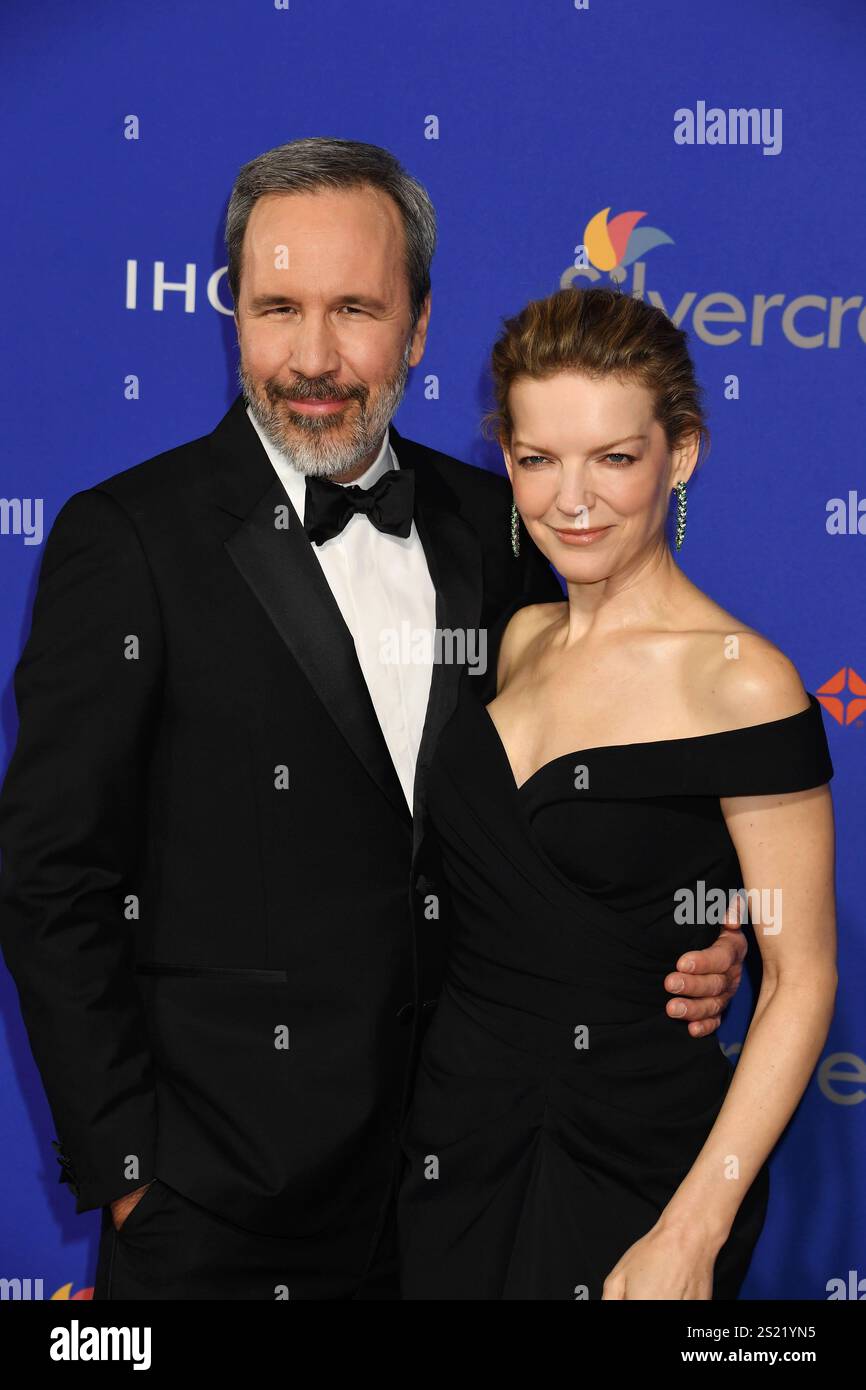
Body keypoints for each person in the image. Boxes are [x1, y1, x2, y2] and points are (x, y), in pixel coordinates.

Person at [0, 144, 744, 1302]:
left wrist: (702, 932)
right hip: (221, 1203)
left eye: (353, 309)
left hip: (483, 1171)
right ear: (230, 312)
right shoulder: (129, 541)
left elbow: (586, 788)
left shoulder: (504, 527)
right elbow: (50, 877)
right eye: (277, 307)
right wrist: (136, 1173)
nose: (311, 357)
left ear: (418, 326)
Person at [396, 285, 838, 1300]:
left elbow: (798, 977)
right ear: (505, 457)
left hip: (629, 1163)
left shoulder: (737, 679)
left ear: (680, 452)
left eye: (614, 457)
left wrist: (693, 1227)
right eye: (538, 458)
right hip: (453, 1142)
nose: (572, 499)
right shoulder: (514, 640)